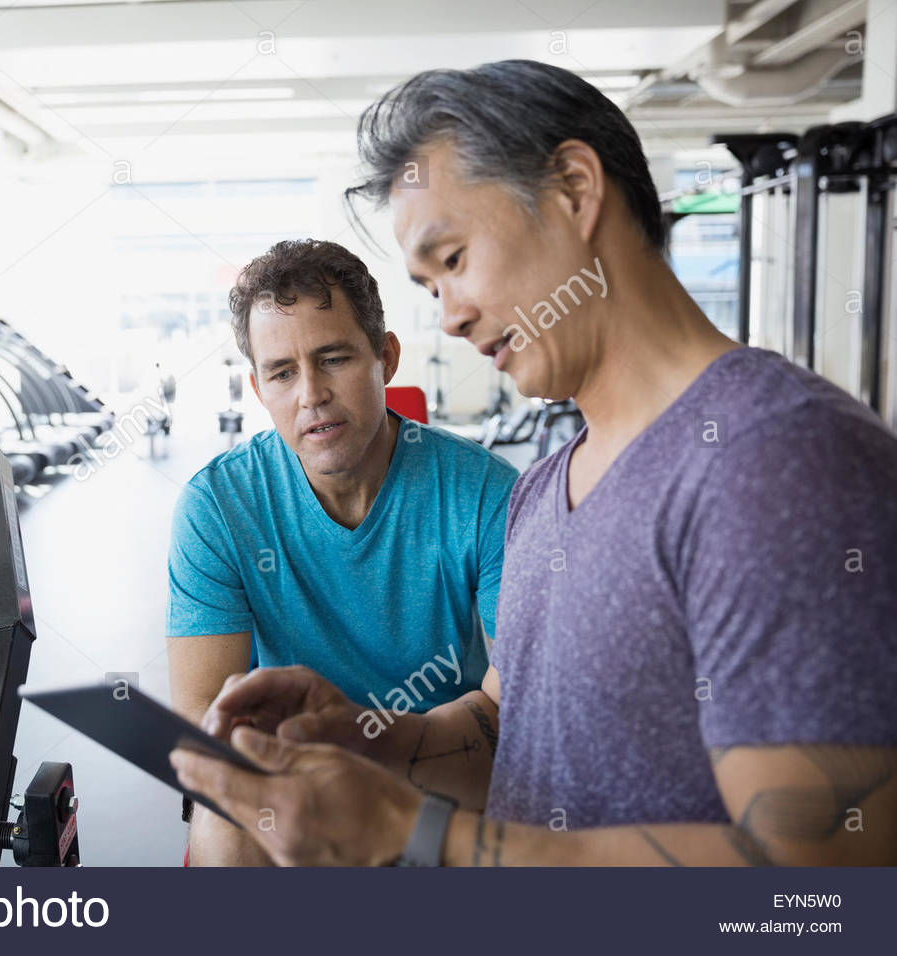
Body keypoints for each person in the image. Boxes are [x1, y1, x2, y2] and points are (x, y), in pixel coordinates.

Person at [171, 60, 897, 866]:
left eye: (452, 260)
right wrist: (369, 741)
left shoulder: (777, 461)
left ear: (576, 192)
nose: (449, 317)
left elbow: (818, 890)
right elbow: (506, 743)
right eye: (429, 283)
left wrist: (414, 834)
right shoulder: (544, 492)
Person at [167, 238, 518, 865]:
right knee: (226, 826)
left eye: (334, 358)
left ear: (385, 357)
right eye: (282, 373)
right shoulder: (217, 506)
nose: (311, 395)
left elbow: (510, 712)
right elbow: (203, 713)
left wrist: (373, 767)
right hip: (294, 772)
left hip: (439, 769)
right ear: (258, 386)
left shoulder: (489, 494)